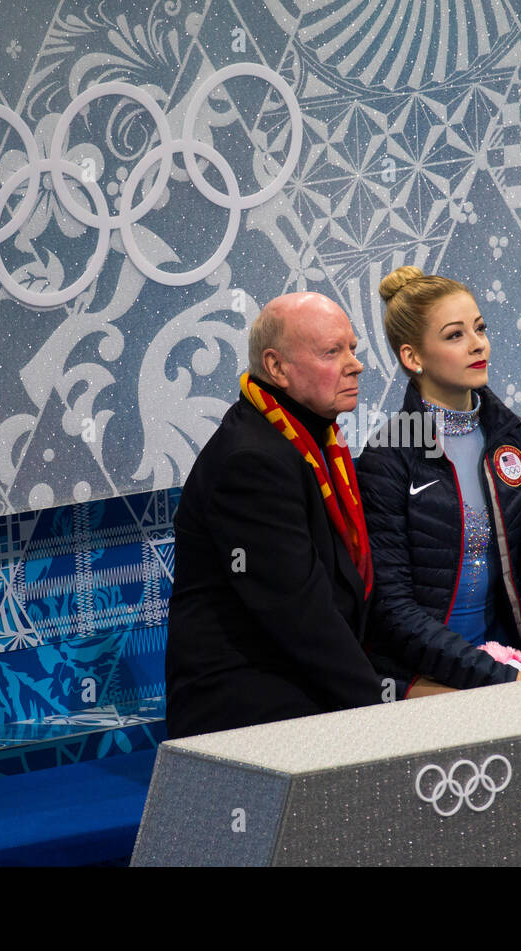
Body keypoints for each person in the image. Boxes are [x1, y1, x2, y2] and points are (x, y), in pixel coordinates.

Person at [164, 292, 385, 736]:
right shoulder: (251, 461)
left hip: (300, 674)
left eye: (352, 349)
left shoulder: (309, 435)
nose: (355, 364)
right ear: (277, 367)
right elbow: (300, 616)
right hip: (246, 702)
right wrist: (383, 712)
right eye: (331, 352)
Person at [357, 267, 521, 698]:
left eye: (480, 328)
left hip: (504, 663)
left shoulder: (515, 438)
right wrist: (491, 676)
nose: (478, 344)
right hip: (416, 675)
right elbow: (393, 608)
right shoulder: (387, 455)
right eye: (455, 335)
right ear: (413, 357)